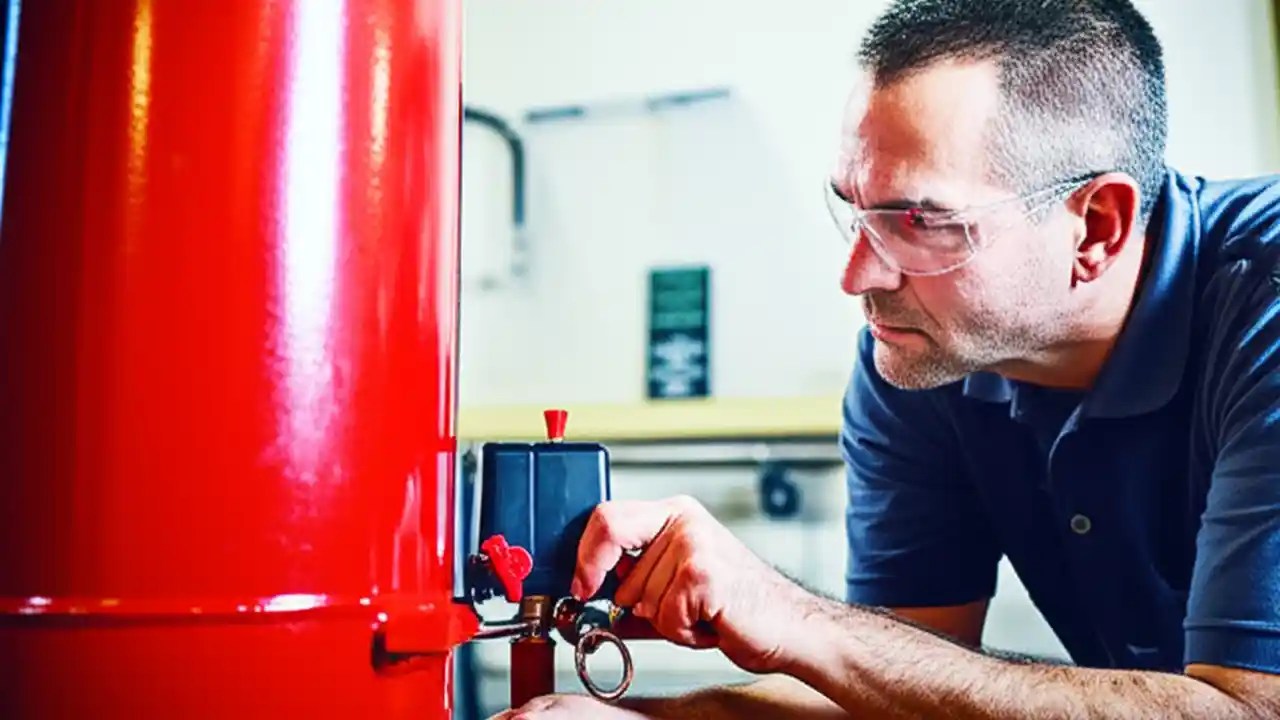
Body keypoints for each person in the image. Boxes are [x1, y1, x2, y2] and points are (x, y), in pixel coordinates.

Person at [492, 0, 1280, 717]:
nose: (859, 277)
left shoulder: (1263, 310)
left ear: (1097, 227)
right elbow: (896, 686)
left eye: (920, 222)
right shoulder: (926, 351)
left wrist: (793, 617)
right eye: (856, 210)